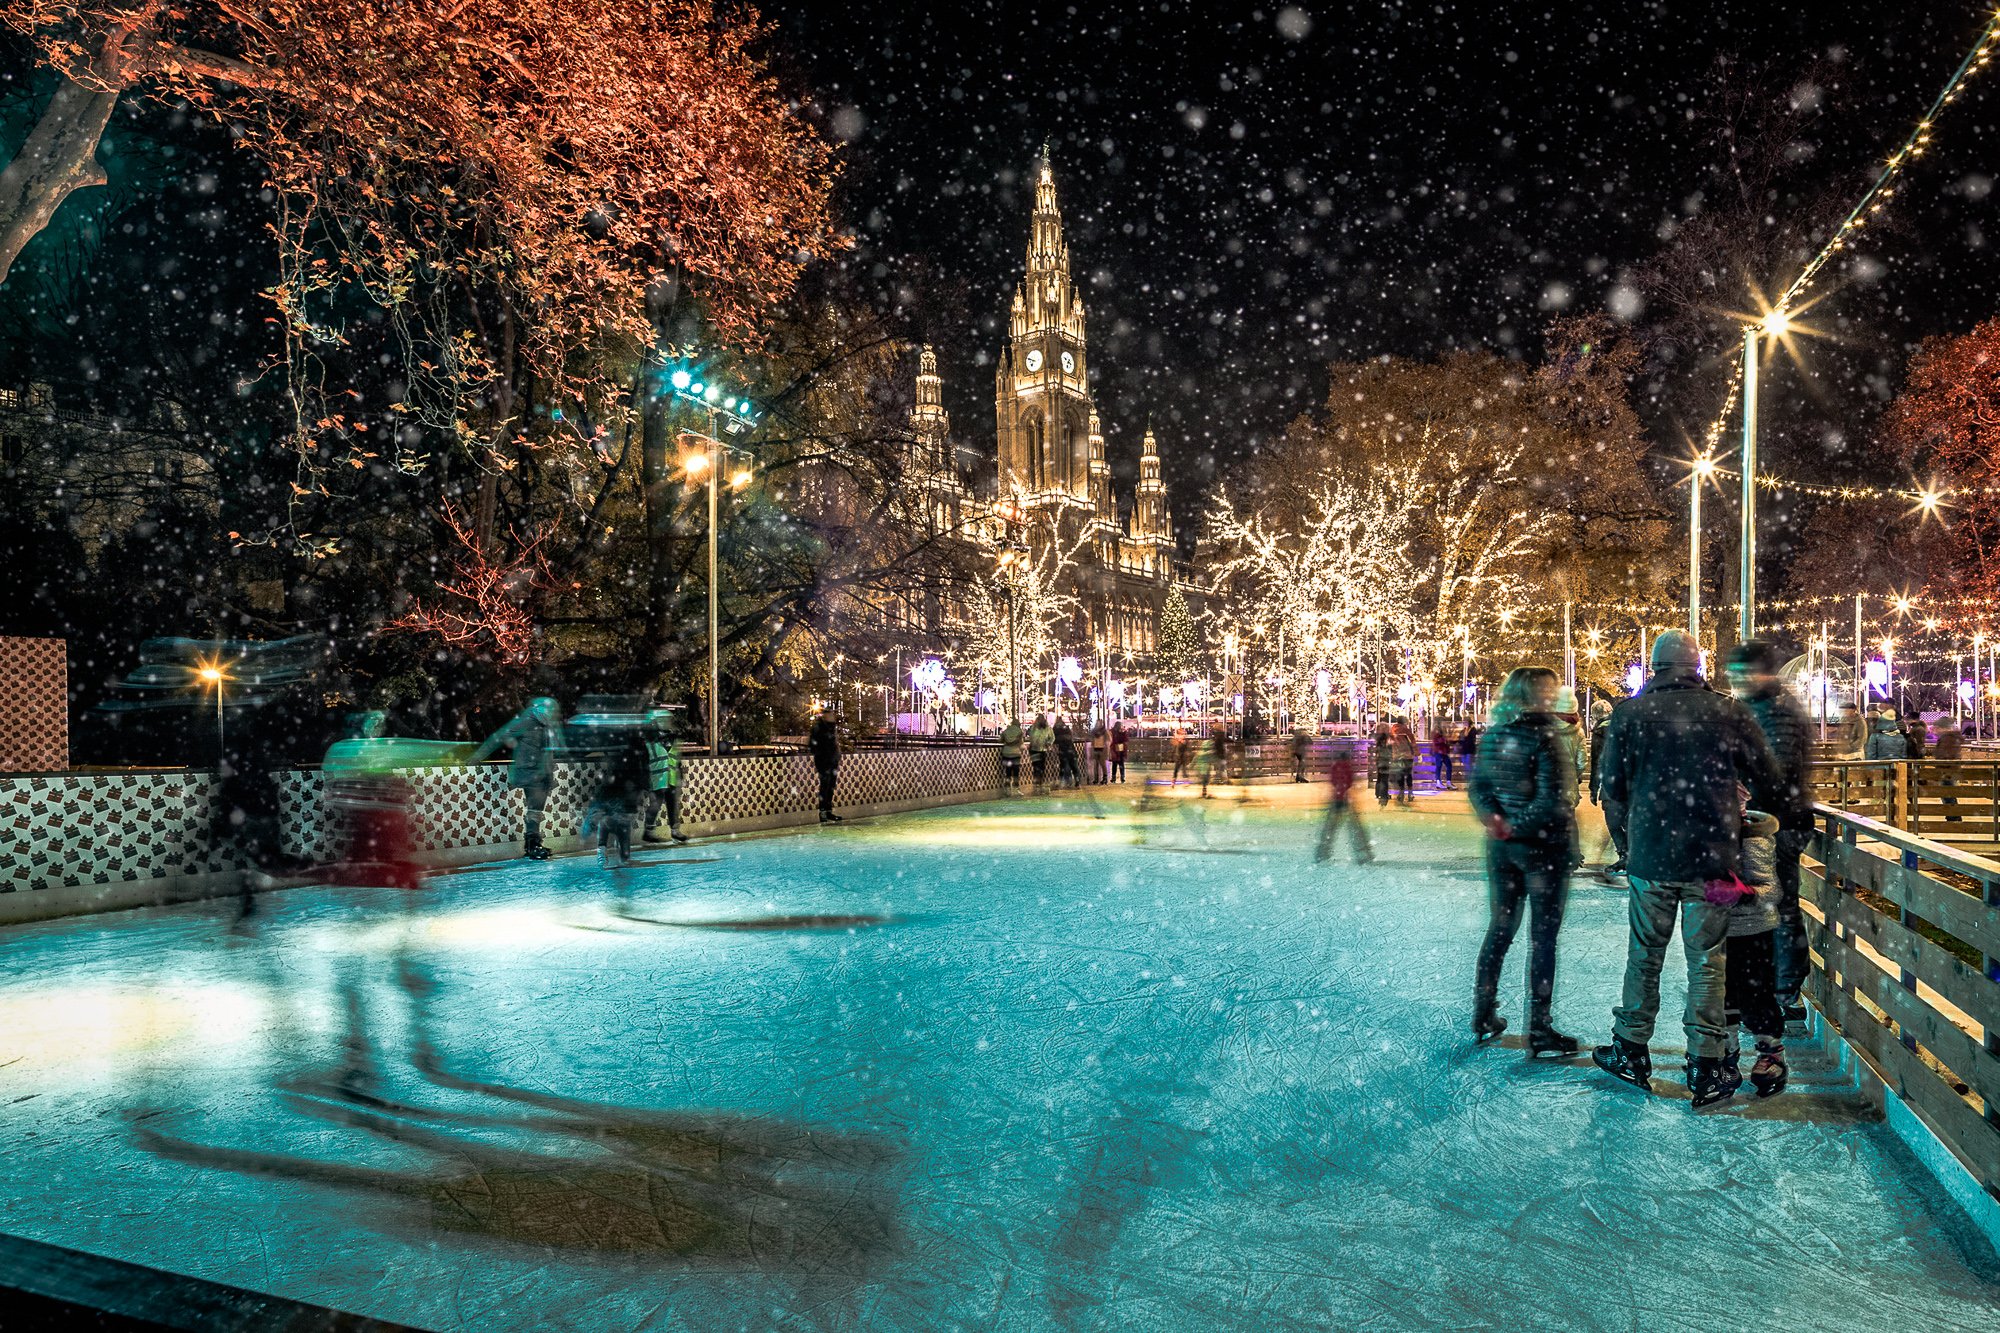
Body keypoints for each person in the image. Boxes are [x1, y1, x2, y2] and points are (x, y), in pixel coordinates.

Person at [1592, 629, 1782, 1110]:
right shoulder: (1728, 712)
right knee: (1707, 962)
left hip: (1652, 859)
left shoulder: (1630, 714)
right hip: (1712, 860)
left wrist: (1631, 842)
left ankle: (1631, 1049)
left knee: (1645, 955)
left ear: (1655, 668)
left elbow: (1611, 788)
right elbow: (1766, 774)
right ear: (1698, 667)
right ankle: (1707, 1063)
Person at [1467, 666, 1578, 1055]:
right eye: (1546, 690)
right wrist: (1516, 826)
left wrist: (1496, 820)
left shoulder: (1496, 734)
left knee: (1501, 926)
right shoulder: (1547, 737)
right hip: (1543, 850)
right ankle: (1540, 1029)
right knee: (1542, 938)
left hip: (1503, 850)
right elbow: (1554, 799)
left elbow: (1479, 787)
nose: (1552, 696)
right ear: (1531, 694)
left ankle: (1484, 1012)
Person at [1724, 640, 1816, 1021]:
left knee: (1778, 905)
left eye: (1741, 672)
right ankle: (1764, 989)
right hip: (1765, 822)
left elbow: (1776, 772)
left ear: (1761, 672)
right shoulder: (1758, 708)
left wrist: (1742, 789)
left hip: (1778, 823)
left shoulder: (1777, 713)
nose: (1735, 679)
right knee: (1764, 906)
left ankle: (1784, 991)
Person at [1720, 804, 1789, 1097]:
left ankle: (1771, 1050)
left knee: (1756, 994)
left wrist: (1743, 895)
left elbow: (1772, 891)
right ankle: (1727, 1050)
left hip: (1753, 931)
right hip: (1717, 931)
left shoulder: (1753, 838)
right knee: (1720, 995)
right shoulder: (1707, 835)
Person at [471, 696, 562, 860]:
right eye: (550, 709)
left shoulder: (549, 725)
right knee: (534, 810)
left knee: (536, 811)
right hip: (531, 772)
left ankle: (532, 845)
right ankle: (533, 846)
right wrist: (475, 758)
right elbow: (499, 737)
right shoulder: (528, 720)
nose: (553, 713)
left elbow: (553, 749)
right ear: (539, 708)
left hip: (543, 773)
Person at [1587, 698, 1627, 882]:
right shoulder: (1625, 724)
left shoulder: (1601, 731)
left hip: (1612, 783)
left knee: (1613, 821)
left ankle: (1625, 855)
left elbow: (1597, 762)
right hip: (1630, 781)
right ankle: (1631, 854)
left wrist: (1594, 787)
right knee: (1627, 820)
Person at [1314, 745, 1374, 864]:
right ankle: (1363, 853)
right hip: (1345, 799)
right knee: (1356, 829)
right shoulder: (1346, 767)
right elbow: (1349, 781)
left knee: (1330, 828)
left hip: (1336, 799)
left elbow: (1335, 781)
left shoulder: (1336, 767)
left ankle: (1322, 852)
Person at [641, 709, 688, 844]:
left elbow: (676, 760)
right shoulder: (648, 741)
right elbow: (644, 762)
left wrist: (680, 776)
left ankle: (675, 832)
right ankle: (648, 832)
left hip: (671, 778)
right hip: (656, 779)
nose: (667, 723)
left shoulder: (674, 738)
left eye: (668, 720)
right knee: (655, 805)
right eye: (663, 720)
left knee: (672, 805)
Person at [808, 706, 843, 823]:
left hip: (832, 760)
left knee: (830, 786)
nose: (832, 716)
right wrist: (822, 755)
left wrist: (836, 756)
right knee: (825, 785)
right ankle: (823, 812)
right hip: (824, 761)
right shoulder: (819, 727)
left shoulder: (832, 727)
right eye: (830, 714)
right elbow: (813, 744)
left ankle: (828, 811)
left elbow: (834, 743)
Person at [1934, 716, 1964, 824]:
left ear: (1943, 728)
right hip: (1948, 770)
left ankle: (1953, 818)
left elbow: (1946, 755)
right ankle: (1953, 817)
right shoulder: (1948, 738)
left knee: (1948, 794)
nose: (1935, 730)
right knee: (1948, 794)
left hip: (1947, 771)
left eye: (1937, 728)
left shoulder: (1948, 738)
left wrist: (1940, 760)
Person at [1389, 718, 1416, 806]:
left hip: (1397, 756)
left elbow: (1389, 743)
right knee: (1408, 774)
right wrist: (1418, 753)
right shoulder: (1406, 730)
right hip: (1407, 755)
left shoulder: (1392, 730)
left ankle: (1401, 792)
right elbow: (1413, 742)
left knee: (1400, 774)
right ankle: (1410, 793)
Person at [1029, 713, 1055, 791]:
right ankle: (1039, 781)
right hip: (1042, 750)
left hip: (1034, 749)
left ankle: (1037, 782)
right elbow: (1052, 737)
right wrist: (1048, 743)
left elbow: (1031, 736)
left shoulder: (1034, 727)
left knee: (1036, 766)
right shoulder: (1047, 728)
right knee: (1041, 766)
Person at [999, 716, 1025, 791]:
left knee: (1008, 771)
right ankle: (1016, 787)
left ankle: (1007, 787)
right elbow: (1021, 743)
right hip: (1016, 753)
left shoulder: (1006, 730)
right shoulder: (1020, 732)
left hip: (1006, 753)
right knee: (1016, 772)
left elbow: (1000, 740)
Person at [1054, 714, 1081, 788]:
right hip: (1070, 750)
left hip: (1063, 751)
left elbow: (1054, 740)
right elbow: (1070, 737)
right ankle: (1076, 781)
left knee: (1064, 766)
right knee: (1073, 766)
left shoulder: (1056, 730)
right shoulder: (1067, 729)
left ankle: (1065, 782)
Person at [1432, 721, 1457, 791]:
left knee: (1447, 765)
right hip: (1439, 751)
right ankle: (1439, 782)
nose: (1444, 723)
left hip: (1442, 751)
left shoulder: (1441, 730)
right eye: (1443, 722)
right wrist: (1446, 740)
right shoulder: (1437, 730)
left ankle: (1446, 782)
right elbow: (1437, 740)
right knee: (1439, 766)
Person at [1088, 718, 1109, 784]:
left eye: (1099, 723)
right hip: (1095, 748)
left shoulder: (1104, 732)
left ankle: (1104, 778)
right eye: (1097, 723)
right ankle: (1096, 778)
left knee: (1103, 764)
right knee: (1095, 764)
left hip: (1102, 749)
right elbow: (1091, 740)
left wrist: (1106, 748)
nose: (1098, 724)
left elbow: (1108, 740)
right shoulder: (1093, 732)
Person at [1108, 719, 1129, 784]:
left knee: (1116, 764)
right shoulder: (1119, 732)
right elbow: (1125, 740)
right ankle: (1121, 778)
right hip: (1118, 749)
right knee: (1120, 764)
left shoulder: (1115, 732)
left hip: (1117, 749)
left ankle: (1116, 778)